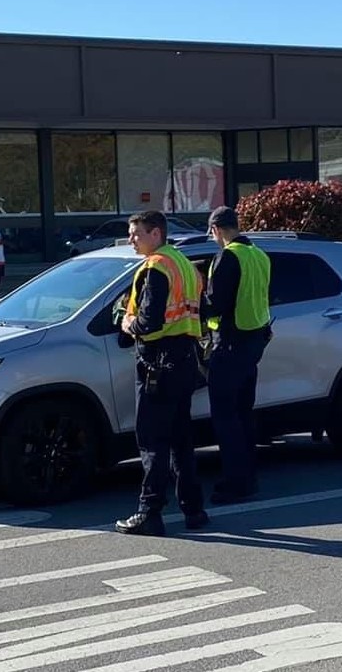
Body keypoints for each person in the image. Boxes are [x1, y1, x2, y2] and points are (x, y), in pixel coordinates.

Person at [115, 210, 209, 536]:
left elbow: (150, 323)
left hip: (158, 362)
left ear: (156, 234)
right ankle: (194, 510)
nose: (131, 240)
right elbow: (202, 310)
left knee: (153, 440)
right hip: (183, 361)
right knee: (181, 439)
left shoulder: (156, 267)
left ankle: (149, 512)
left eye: (135, 233)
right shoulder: (186, 266)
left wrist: (128, 323)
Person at [202, 205, 272, 504]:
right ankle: (249, 477)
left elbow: (215, 303)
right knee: (243, 415)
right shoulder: (259, 254)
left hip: (230, 342)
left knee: (226, 417)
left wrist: (193, 306)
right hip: (253, 342)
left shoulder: (227, 256)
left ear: (216, 229)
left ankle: (235, 482)